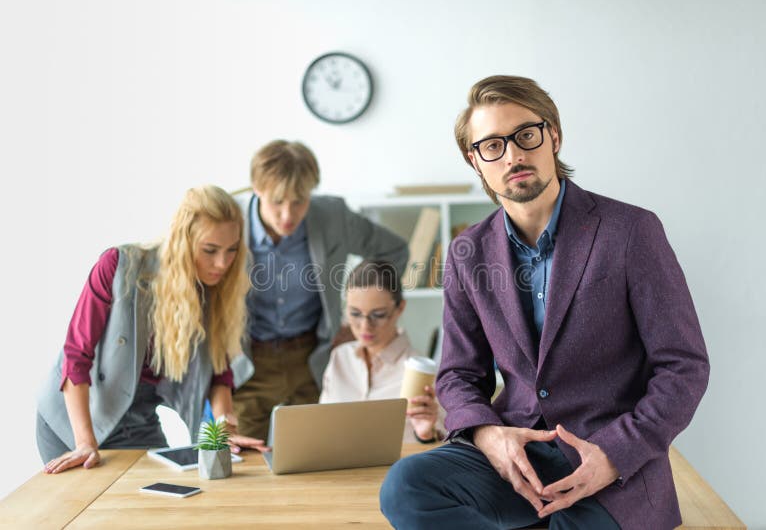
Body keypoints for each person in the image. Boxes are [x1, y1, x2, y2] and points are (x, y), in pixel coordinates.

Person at [380, 76, 710, 529]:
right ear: (474, 160)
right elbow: (458, 374)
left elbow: (684, 366)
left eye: (526, 135)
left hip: (609, 464)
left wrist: (616, 454)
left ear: (553, 135)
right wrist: (487, 434)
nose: (513, 155)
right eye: (492, 145)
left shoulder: (631, 231)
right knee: (406, 486)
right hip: (515, 455)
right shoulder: (468, 252)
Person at [37, 185, 267, 473]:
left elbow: (219, 370)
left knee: (160, 501)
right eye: (210, 250)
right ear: (183, 240)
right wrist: (85, 442)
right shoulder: (119, 266)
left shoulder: (216, 288)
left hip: (139, 418)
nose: (222, 263)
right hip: (75, 417)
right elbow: (76, 355)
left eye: (231, 250)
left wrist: (225, 434)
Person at [230, 140, 409, 441]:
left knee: (315, 458)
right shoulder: (228, 219)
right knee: (246, 467)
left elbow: (394, 250)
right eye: (277, 201)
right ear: (256, 188)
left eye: (299, 201)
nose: (288, 215)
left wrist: (357, 317)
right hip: (248, 364)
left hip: (312, 361)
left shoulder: (332, 216)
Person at [319, 260, 444, 443]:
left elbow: (446, 449)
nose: (365, 326)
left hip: (393, 470)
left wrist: (426, 435)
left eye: (377, 315)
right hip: (338, 468)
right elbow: (321, 426)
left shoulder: (423, 374)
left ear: (400, 308)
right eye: (355, 313)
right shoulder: (340, 357)